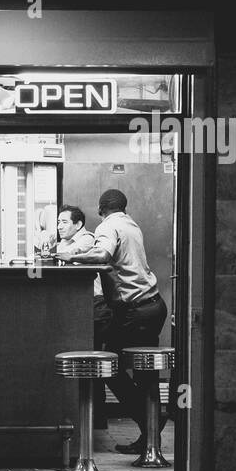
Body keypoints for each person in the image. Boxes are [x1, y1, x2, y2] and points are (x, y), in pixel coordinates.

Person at [67, 189, 168, 454]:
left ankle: (151, 423)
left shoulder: (107, 226)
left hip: (135, 310)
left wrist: (70, 256)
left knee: (108, 365)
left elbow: (101, 256)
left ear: (101, 209)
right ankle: (150, 432)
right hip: (154, 305)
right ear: (124, 207)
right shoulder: (131, 224)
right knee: (146, 374)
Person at [48, 204, 111, 348]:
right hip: (78, 303)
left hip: (94, 304)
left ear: (78, 225)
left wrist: (52, 251)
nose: (59, 227)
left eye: (64, 222)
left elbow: (70, 254)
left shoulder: (87, 239)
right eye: (58, 222)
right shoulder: (63, 242)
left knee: (91, 351)